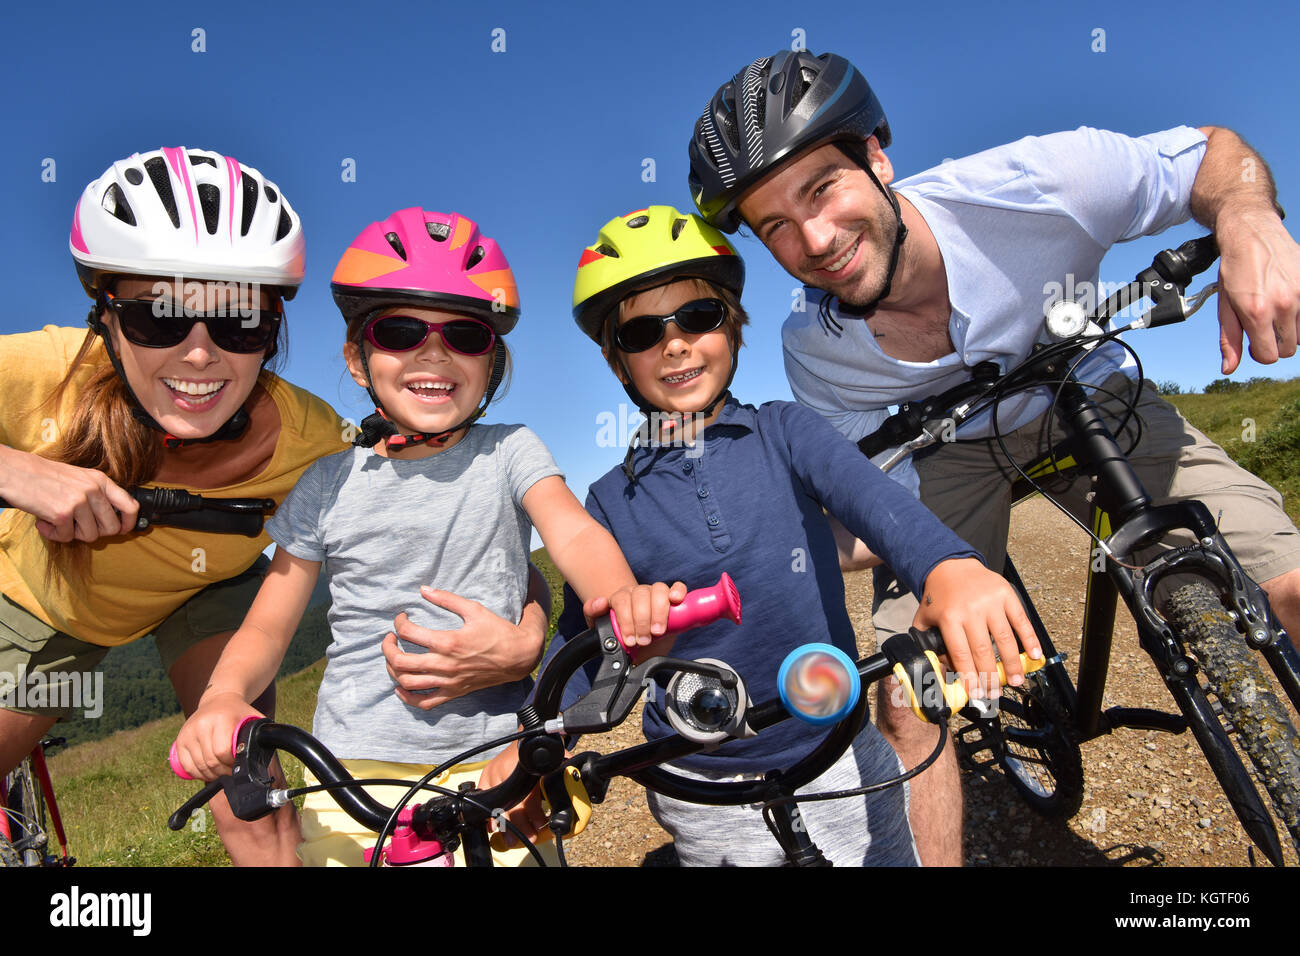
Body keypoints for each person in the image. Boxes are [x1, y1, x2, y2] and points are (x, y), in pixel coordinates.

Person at [687, 50, 1300, 866]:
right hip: (945, 451)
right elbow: (878, 502)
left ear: (877, 156)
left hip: (1087, 390)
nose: (816, 240)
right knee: (909, 697)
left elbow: (1209, 156)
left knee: (1290, 588)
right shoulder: (817, 354)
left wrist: (1249, 221)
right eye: (774, 227)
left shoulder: (1043, 185)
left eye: (822, 188)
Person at [482, 205, 1039, 866]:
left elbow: (876, 501)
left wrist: (949, 566)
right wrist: (536, 735)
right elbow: (584, 641)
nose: (676, 344)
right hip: (699, 780)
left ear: (733, 325)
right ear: (617, 361)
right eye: (641, 333)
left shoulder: (786, 430)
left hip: (838, 747)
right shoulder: (607, 501)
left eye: (697, 317)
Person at [171, 207, 674, 867]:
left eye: (464, 335)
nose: (433, 354)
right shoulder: (325, 482)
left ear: (490, 360)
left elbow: (572, 532)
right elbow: (267, 626)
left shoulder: (511, 451)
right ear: (357, 358)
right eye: (401, 330)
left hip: (500, 758)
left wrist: (618, 596)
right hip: (350, 772)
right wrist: (223, 697)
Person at [0, 146, 351, 865]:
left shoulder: (315, 439)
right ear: (105, 318)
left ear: (273, 332)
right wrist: (17, 472)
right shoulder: (48, 372)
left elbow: (432, 512)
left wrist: (527, 616)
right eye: (159, 318)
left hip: (207, 587)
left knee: (251, 788)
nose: (199, 356)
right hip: (50, 600)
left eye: (239, 323)